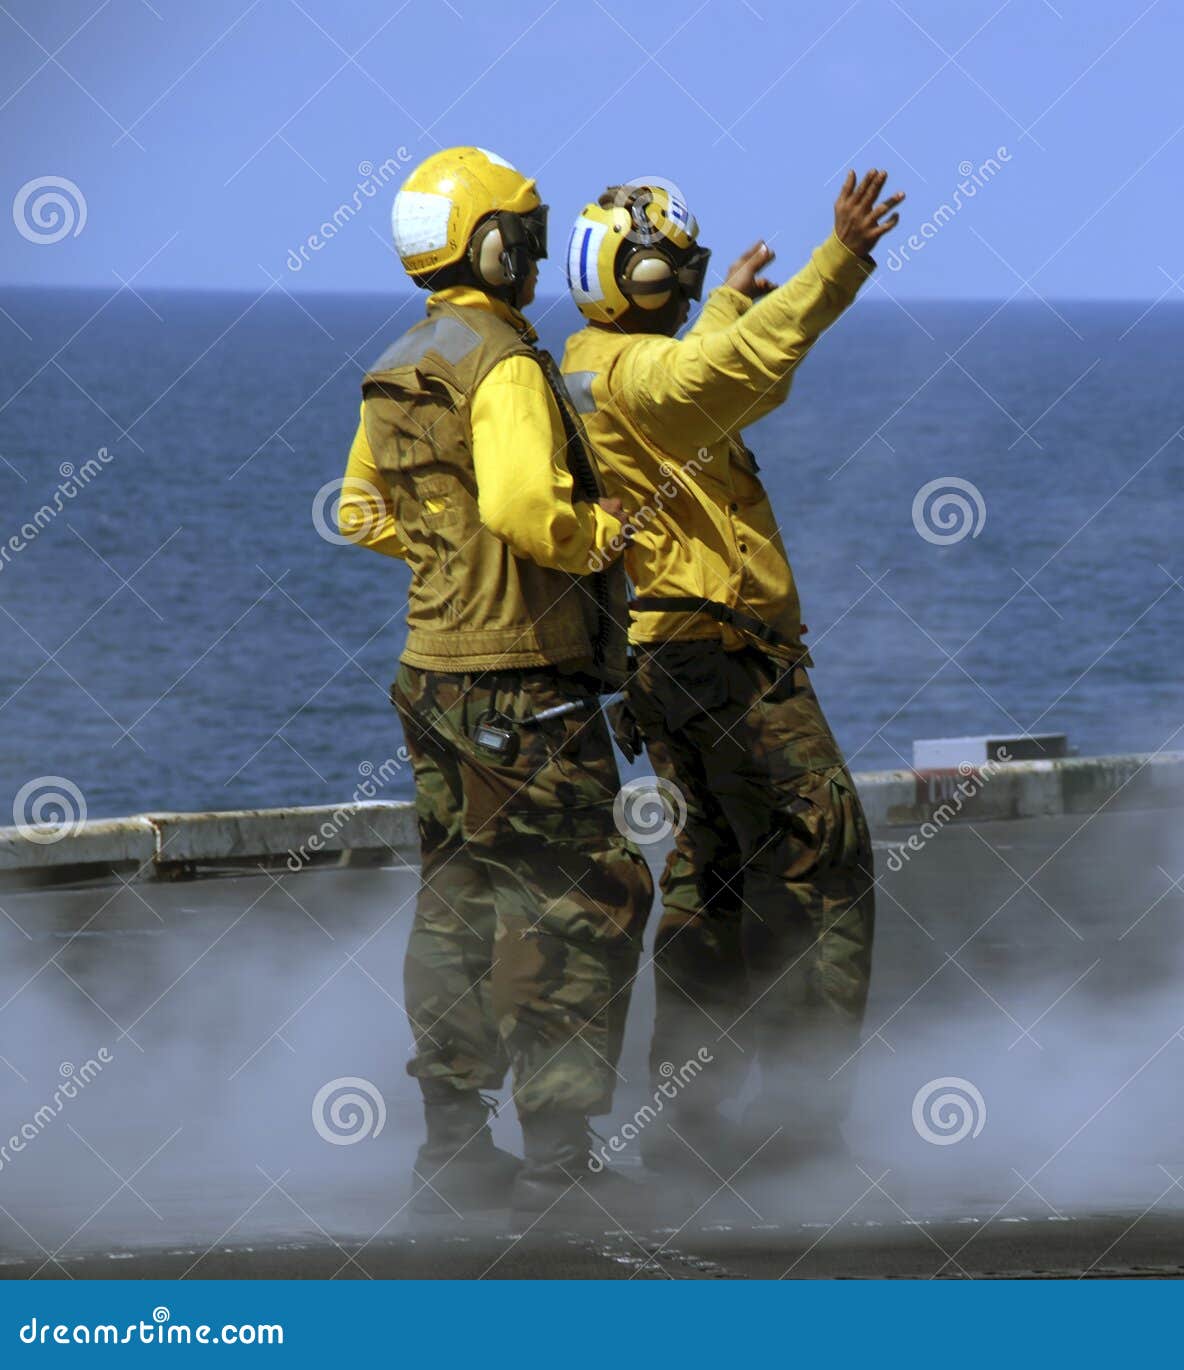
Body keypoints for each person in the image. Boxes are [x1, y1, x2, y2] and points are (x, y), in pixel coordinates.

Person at [558, 170, 903, 1173]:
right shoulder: (643, 379)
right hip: (726, 661)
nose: (685, 282)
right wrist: (838, 259)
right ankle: (805, 1125)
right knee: (822, 857)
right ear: (643, 278)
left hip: (664, 660)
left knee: (712, 873)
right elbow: (736, 370)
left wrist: (721, 307)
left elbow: (701, 378)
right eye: (677, 270)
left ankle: (689, 1116)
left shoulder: (592, 363)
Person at [336, 146, 651, 1212]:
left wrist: (446, 555)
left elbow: (359, 510)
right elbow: (522, 509)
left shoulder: (400, 363)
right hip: (526, 686)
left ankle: (454, 1147)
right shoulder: (503, 362)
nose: (535, 254)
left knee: (459, 904)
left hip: (431, 677)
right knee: (587, 897)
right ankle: (560, 1158)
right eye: (526, 233)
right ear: (491, 244)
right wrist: (597, 535)